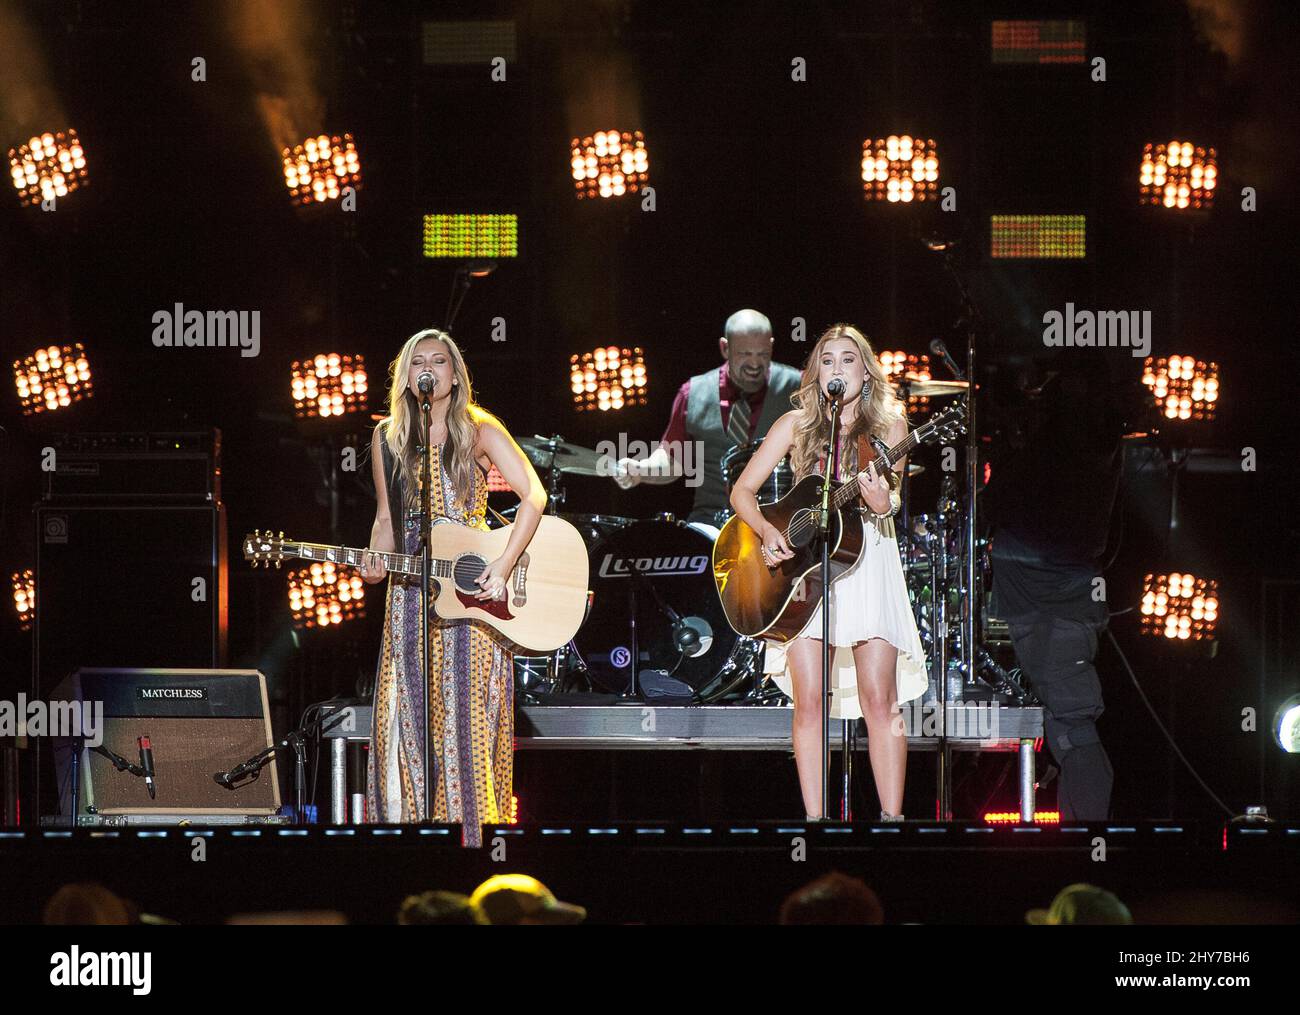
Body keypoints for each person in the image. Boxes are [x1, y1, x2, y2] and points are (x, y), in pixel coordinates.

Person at [730, 324, 928, 821]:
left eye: (847, 360)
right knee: (809, 700)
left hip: (869, 559)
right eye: (827, 360)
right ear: (817, 372)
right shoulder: (794, 425)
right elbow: (742, 493)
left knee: (878, 700)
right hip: (807, 568)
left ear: (866, 369)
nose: (837, 369)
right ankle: (815, 823)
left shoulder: (891, 427)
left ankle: (891, 822)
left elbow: (891, 499)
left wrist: (883, 499)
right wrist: (768, 533)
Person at [359, 328, 546, 847]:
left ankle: (472, 845)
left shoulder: (478, 428)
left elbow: (534, 494)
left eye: (439, 361)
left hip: (470, 593)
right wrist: (374, 561)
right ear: (405, 373)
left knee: (466, 720)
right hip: (409, 593)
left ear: (454, 373)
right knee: (411, 714)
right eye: (419, 360)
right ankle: (415, 846)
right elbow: (385, 521)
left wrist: (504, 566)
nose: (429, 369)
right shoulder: (386, 437)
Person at [986, 353, 1124, 822]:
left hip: (1054, 591)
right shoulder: (1085, 432)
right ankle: (1079, 831)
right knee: (1065, 715)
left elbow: (1000, 498)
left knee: (1073, 720)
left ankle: (1084, 840)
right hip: (1055, 586)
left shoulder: (1067, 438)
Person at [613, 309, 801, 529]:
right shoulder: (692, 393)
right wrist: (641, 470)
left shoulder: (797, 386)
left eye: (762, 354)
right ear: (725, 348)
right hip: (710, 525)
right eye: (744, 354)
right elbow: (673, 461)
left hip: (779, 521)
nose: (754, 364)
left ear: (771, 345)